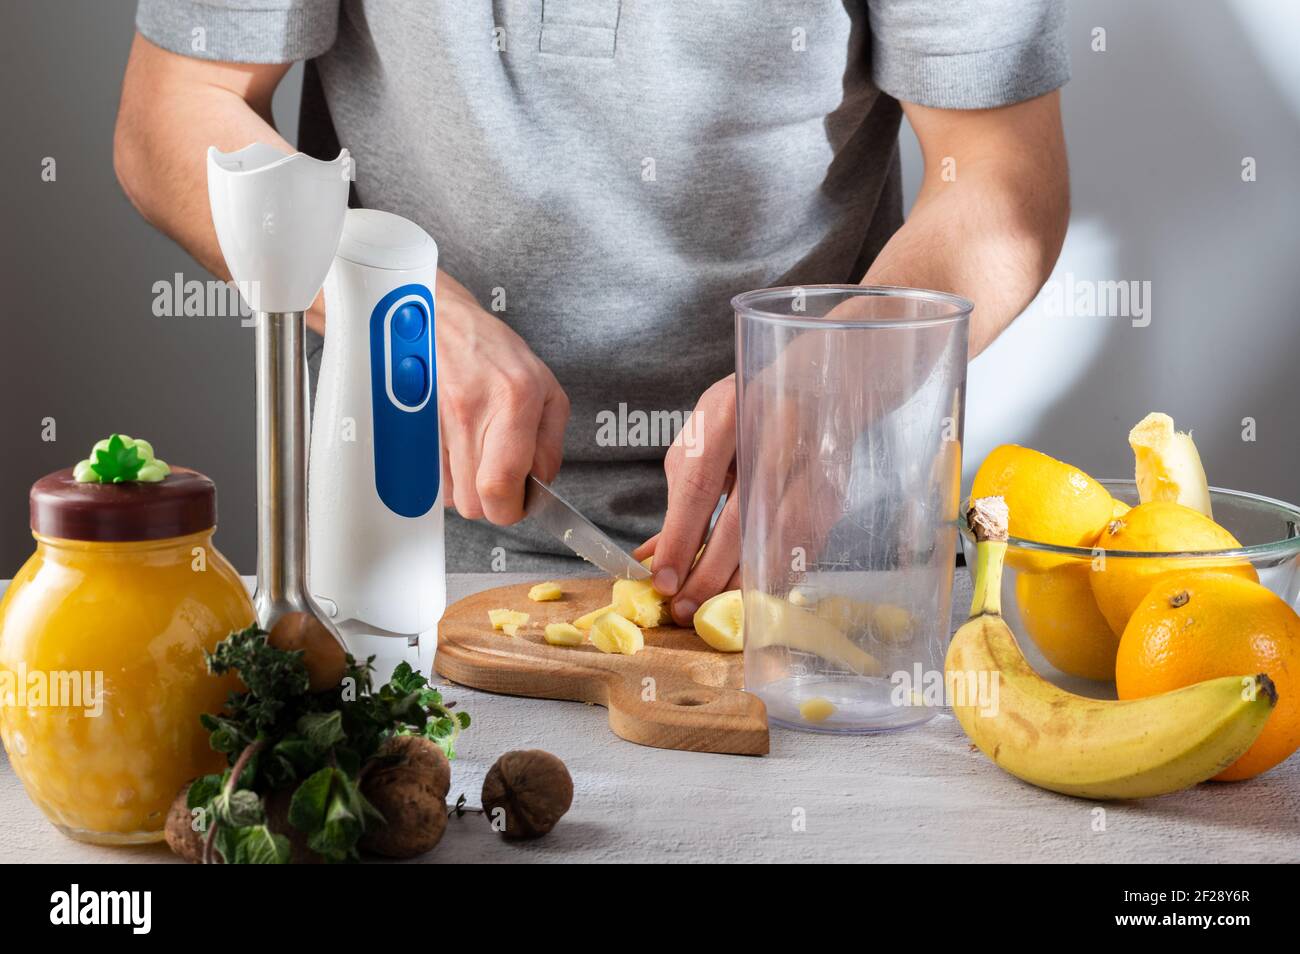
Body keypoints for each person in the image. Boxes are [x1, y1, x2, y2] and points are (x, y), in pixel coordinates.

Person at [115, 1, 1070, 626]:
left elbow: (999, 177)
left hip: (827, 571)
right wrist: (388, 299)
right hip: (408, 567)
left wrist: (827, 384)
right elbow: (173, 113)